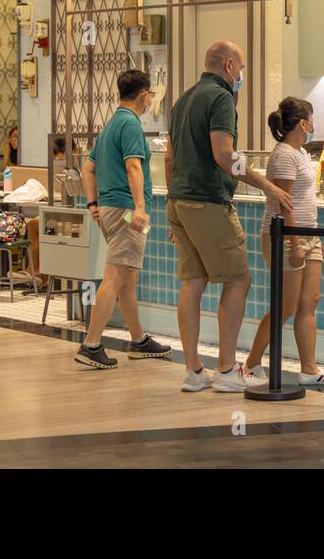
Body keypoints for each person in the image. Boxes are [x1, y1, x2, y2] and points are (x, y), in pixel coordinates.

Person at [166, 40, 293, 393]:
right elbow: (225, 155)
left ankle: (193, 370)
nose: (242, 76)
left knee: (193, 283)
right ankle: (225, 370)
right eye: (242, 68)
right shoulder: (221, 99)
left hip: (179, 201)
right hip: (208, 200)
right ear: (229, 66)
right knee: (239, 280)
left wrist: (173, 200)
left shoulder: (182, 100)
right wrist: (265, 184)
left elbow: (168, 158)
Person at [75, 69, 171, 368]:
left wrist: (93, 203)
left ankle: (138, 339)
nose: (150, 100)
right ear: (144, 94)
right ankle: (91, 345)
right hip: (126, 209)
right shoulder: (130, 124)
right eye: (151, 95)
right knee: (115, 278)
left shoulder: (110, 125)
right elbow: (133, 167)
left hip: (109, 208)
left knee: (128, 278)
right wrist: (140, 207)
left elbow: (88, 168)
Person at [244, 97, 324, 386]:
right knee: (285, 305)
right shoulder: (285, 154)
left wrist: (313, 237)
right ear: (303, 123)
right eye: (310, 118)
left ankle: (309, 369)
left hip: (307, 234)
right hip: (286, 236)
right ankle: (250, 363)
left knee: (309, 302)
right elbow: (284, 203)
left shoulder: (299, 154)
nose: (313, 123)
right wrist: (296, 242)